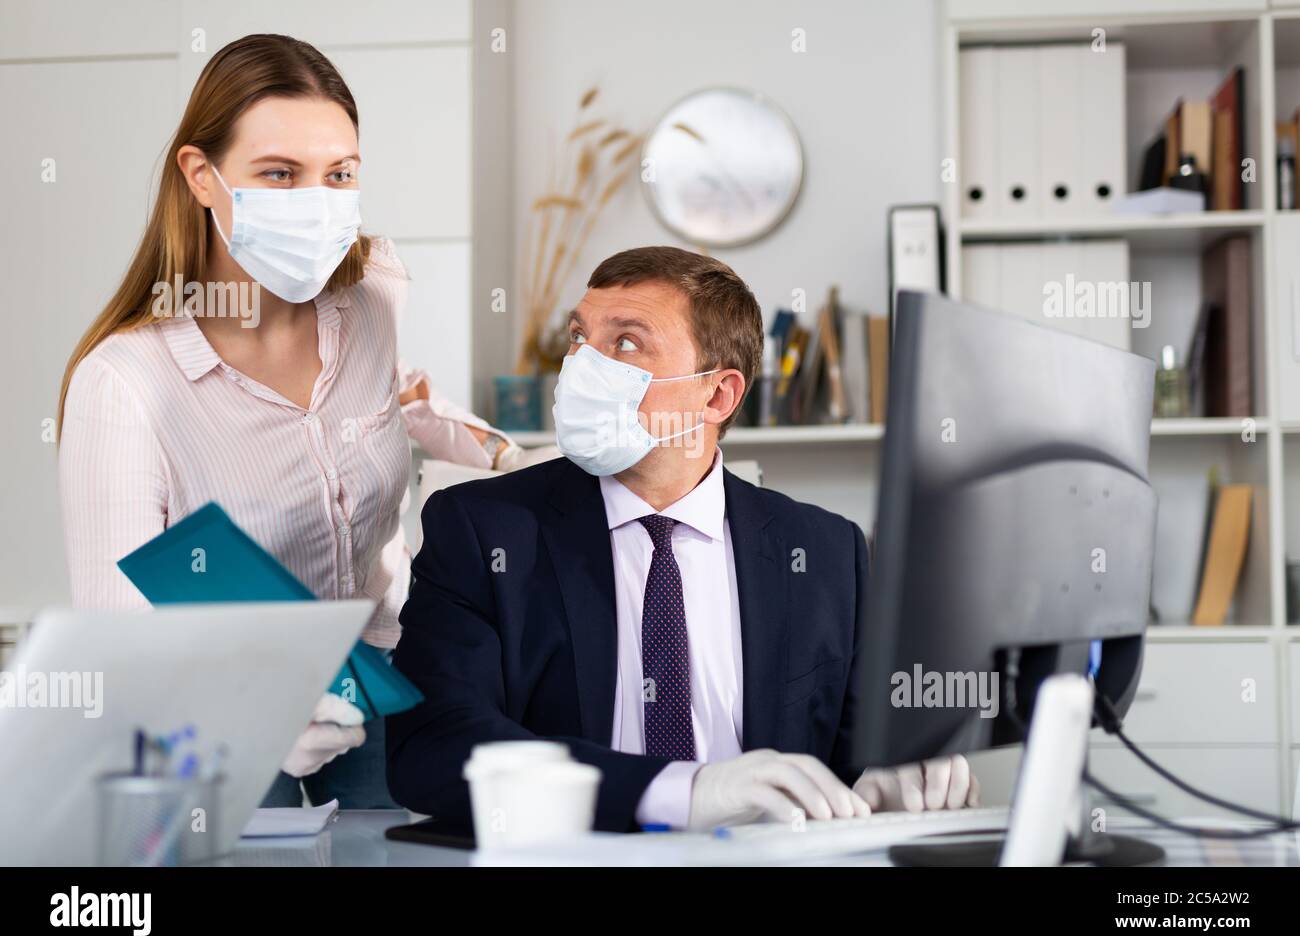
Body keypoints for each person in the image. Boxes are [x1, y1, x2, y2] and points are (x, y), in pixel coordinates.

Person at [57, 34, 544, 809]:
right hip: (220, 724)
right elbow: (117, 639)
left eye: (339, 174)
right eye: (279, 173)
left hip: (390, 682)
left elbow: (401, 396)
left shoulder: (372, 296)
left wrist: (510, 458)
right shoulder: (126, 383)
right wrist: (251, 716)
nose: (316, 202)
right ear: (202, 175)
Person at [388, 246, 978, 832]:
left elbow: (855, 756)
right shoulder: (482, 530)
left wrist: (890, 774)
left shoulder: (826, 552)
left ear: (717, 395)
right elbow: (431, 746)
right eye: (578, 337)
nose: (581, 366)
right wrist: (680, 793)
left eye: (625, 343)